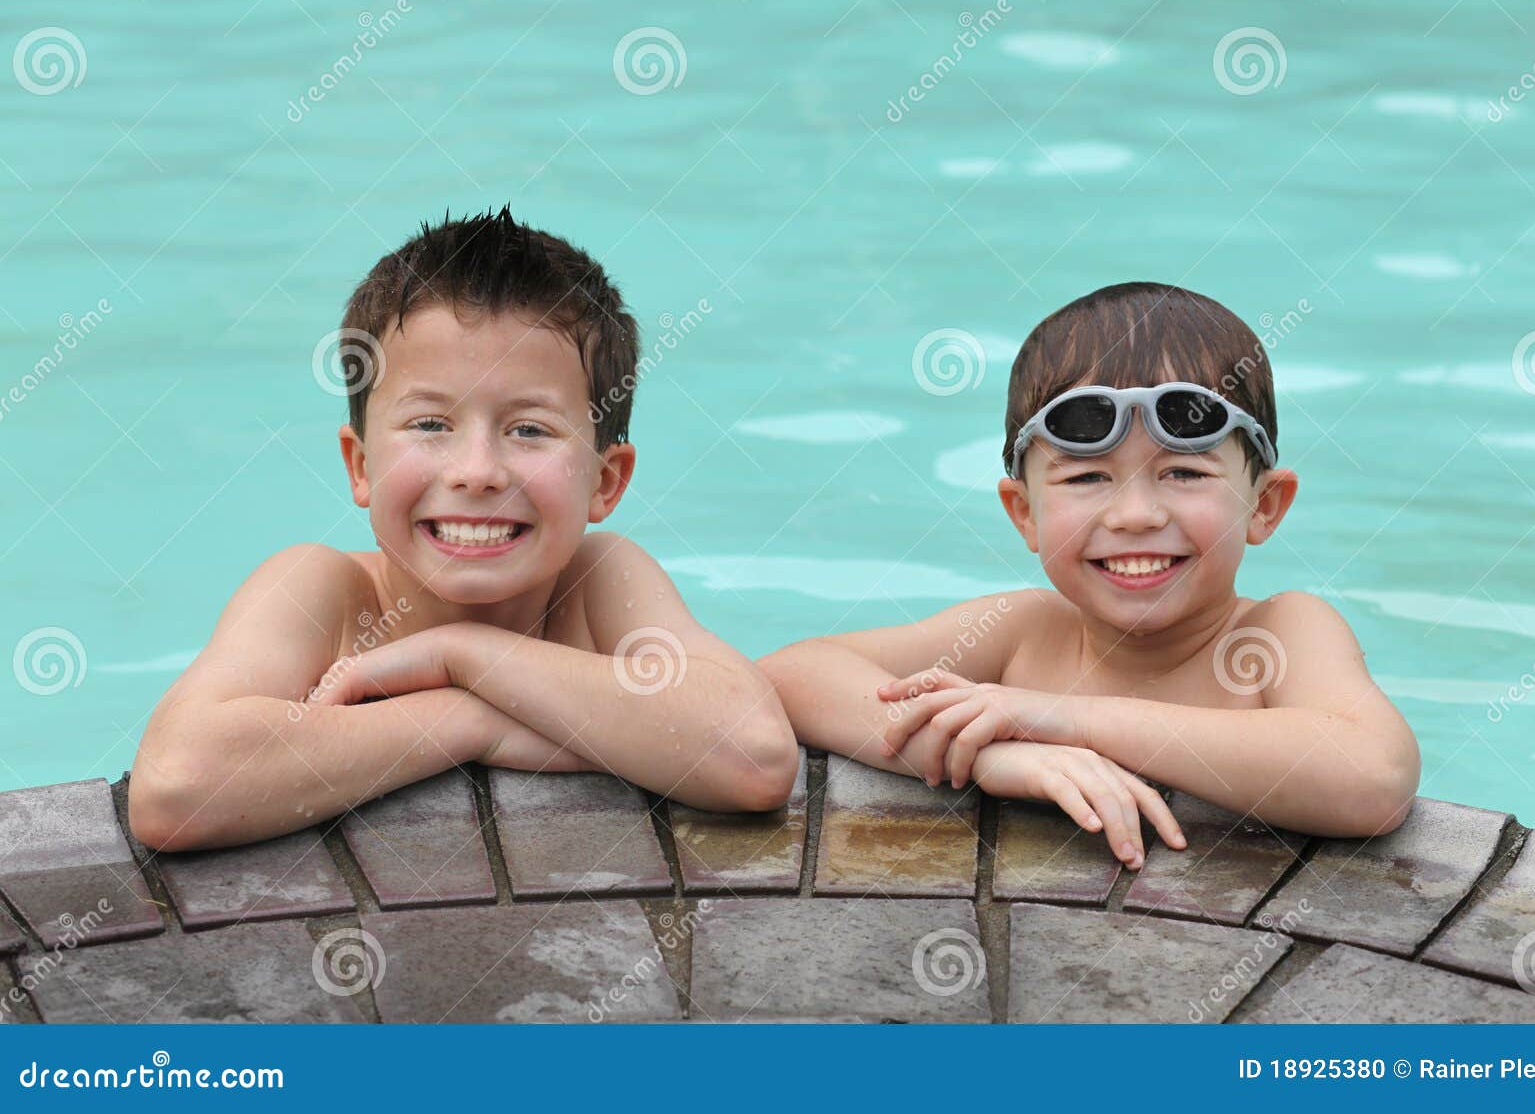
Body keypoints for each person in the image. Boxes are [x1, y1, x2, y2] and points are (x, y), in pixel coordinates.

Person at [130, 207, 797, 851]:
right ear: (360, 466)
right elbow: (174, 787)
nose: (477, 471)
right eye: (430, 424)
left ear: (605, 481)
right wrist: (473, 719)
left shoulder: (599, 582)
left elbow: (756, 757)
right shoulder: (323, 591)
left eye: (529, 429)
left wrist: (463, 653)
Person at [761, 281, 1420, 870]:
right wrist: (995, 757)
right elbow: (791, 677)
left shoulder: (1279, 633)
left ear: (1265, 505)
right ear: (1025, 514)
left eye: (1184, 472)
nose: (1135, 514)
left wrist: (1065, 719)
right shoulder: (1022, 633)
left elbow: (1374, 775)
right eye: (1087, 477)